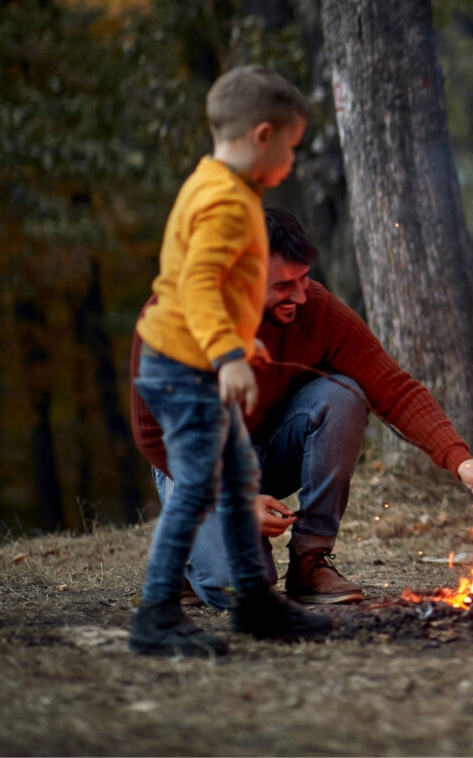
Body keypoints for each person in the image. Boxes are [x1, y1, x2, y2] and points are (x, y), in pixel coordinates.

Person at [131, 205, 473, 610]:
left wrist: (461, 460)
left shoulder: (313, 306)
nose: (299, 295)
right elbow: (154, 433)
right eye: (282, 285)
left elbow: (392, 387)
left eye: (304, 278)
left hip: (269, 447)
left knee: (343, 394)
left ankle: (310, 560)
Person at [129, 65, 324, 657]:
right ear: (263, 135)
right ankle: (156, 615)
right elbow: (197, 285)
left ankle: (255, 603)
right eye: (291, 146)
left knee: (237, 475)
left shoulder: (220, 187)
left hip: (195, 359)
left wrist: (241, 344)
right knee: (196, 489)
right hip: (182, 368)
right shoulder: (225, 203)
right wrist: (226, 356)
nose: (292, 161)